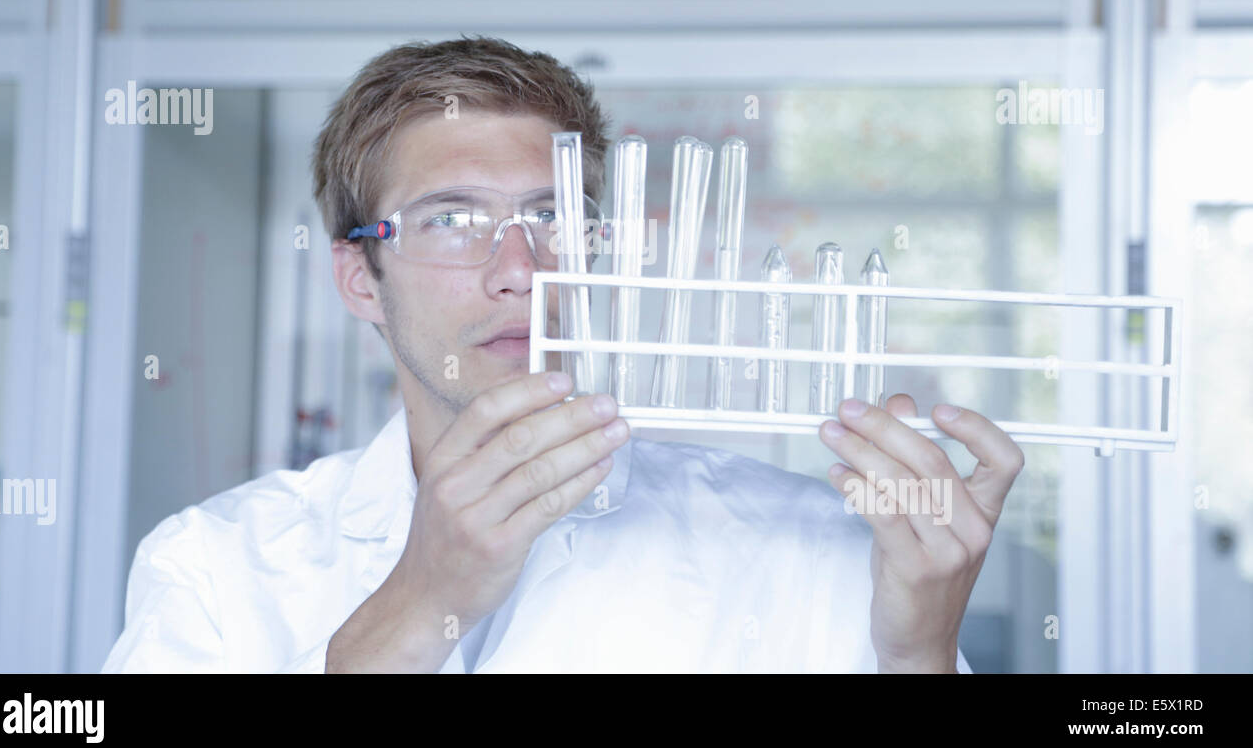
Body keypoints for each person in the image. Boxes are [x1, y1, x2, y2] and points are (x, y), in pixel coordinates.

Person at [102, 35, 1024, 673]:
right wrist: (421, 604)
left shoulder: (807, 547)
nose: (521, 269)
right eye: (453, 220)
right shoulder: (218, 566)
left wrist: (917, 656)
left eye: (554, 218)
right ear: (358, 277)